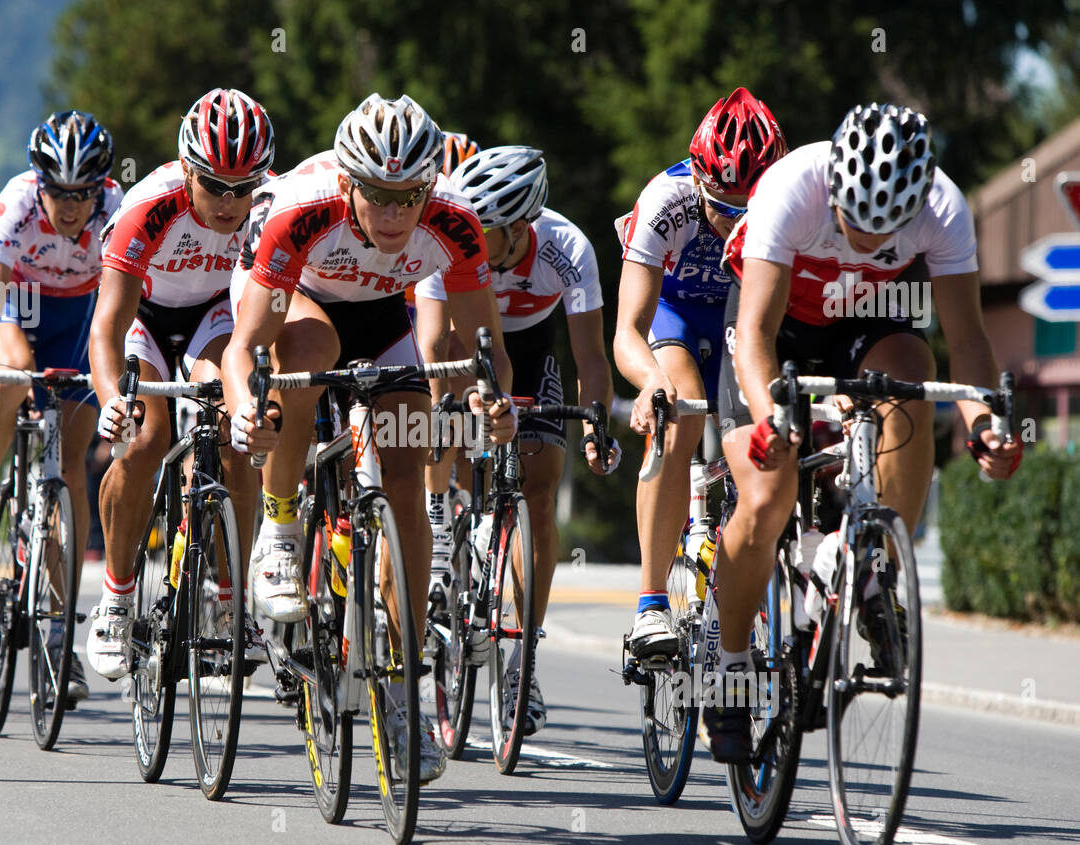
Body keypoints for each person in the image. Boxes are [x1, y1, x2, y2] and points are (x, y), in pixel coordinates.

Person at [709, 102, 1022, 762]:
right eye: (854, 223)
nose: (861, 240)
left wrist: (987, 423)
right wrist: (773, 419)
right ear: (837, 188)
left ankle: (874, 566)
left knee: (913, 372)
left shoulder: (943, 208)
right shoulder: (794, 186)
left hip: (863, 320)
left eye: (883, 232)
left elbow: (968, 340)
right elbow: (756, 337)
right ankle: (728, 666)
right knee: (764, 497)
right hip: (776, 325)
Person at [220, 93, 517, 782]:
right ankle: (281, 529)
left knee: (409, 468)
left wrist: (491, 401)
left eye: (408, 196)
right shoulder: (301, 210)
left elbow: (485, 350)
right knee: (308, 353)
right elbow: (243, 349)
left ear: (430, 188)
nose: (392, 214)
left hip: (383, 315)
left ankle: (403, 688)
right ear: (349, 182)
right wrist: (242, 408)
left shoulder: (455, 225)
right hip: (296, 298)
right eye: (377, 195)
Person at [416, 144, 619, 736]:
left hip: (529, 355)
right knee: (445, 407)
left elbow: (590, 359)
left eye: (490, 233)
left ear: (523, 225)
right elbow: (432, 347)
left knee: (539, 488)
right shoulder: (447, 237)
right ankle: (435, 534)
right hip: (459, 346)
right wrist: (456, 408)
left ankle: (522, 663)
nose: (474, 242)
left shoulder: (568, 248)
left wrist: (595, 425)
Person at [87, 88, 274, 684]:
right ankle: (116, 600)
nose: (230, 201)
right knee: (144, 440)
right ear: (189, 170)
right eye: (216, 185)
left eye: (243, 187)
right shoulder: (150, 205)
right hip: (145, 316)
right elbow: (107, 327)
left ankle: (228, 592)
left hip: (215, 315)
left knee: (232, 426)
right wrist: (112, 399)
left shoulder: (268, 206)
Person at [0, 110, 122, 702]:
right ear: (39, 184)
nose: (70, 208)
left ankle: (57, 636)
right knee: (12, 376)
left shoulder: (115, 208)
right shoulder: (15, 204)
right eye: (58, 193)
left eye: (83, 194)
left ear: (99, 188)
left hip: (77, 315)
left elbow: (125, 300)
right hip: (16, 302)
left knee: (69, 472)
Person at [612, 88, 787, 665]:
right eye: (722, 206)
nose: (735, 222)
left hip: (744, 318)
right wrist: (650, 383)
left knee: (768, 439)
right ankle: (652, 603)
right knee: (679, 412)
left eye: (749, 210)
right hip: (678, 316)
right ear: (697, 179)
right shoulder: (666, 201)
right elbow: (627, 330)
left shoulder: (790, 205)